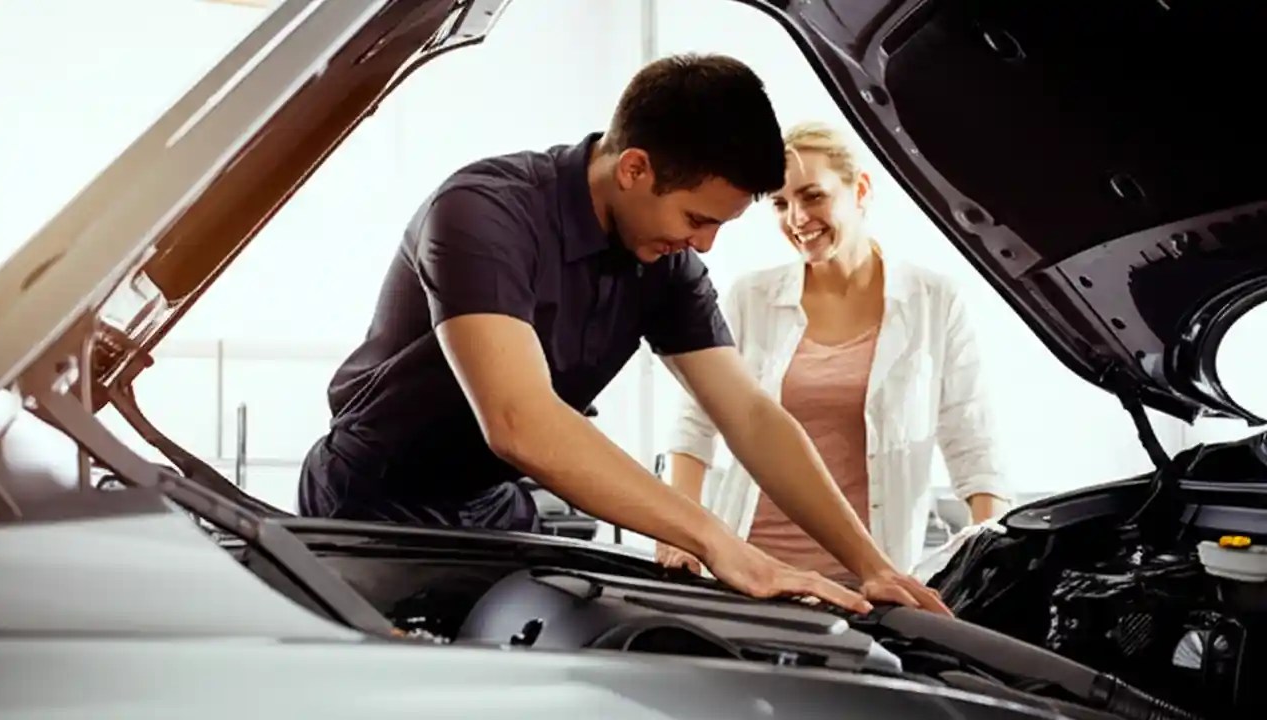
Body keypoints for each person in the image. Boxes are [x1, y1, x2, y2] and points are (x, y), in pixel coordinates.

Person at [297, 54, 949, 615]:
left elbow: (750, 415)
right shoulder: (481, 212)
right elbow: (519, 420)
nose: (704, 244)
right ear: (634, 169)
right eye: (696, 218)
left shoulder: (669, 264)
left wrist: (872, 564)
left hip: (492, 504)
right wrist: (719, 542)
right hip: (371, 504)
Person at [658, 121, 1013, 581]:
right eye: (781, 204)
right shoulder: (752, 298)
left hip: (870, 580)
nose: (797, 219)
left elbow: (973, 445)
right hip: (750, 572)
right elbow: (695, 425)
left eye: (813, 196)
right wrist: (677, 535)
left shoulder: (934, 301)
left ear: (860, 189)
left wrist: (986, 562)